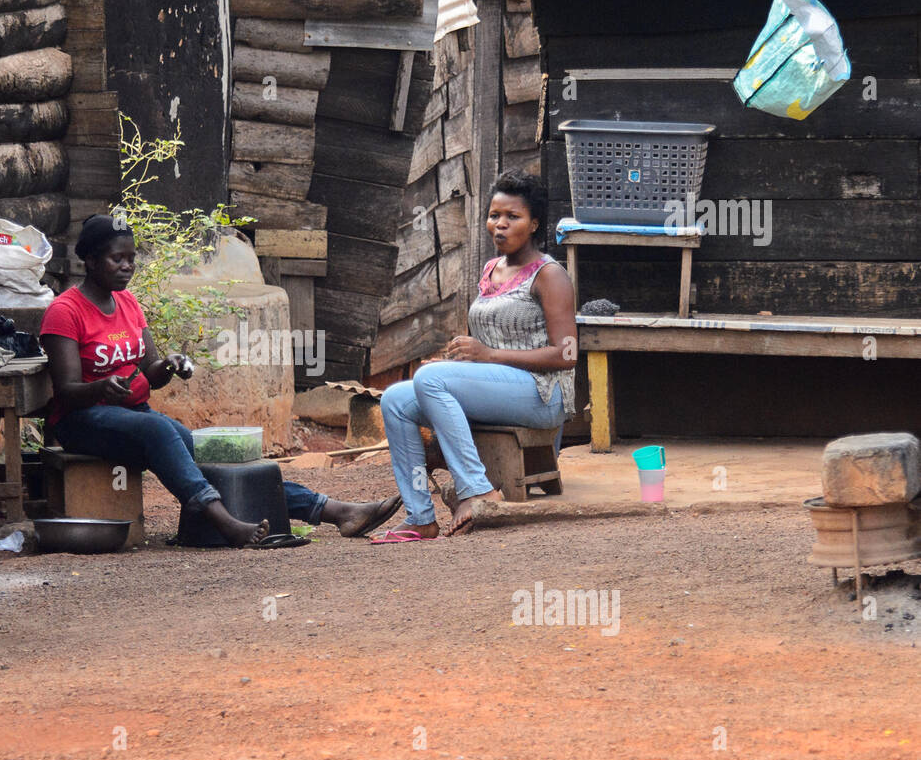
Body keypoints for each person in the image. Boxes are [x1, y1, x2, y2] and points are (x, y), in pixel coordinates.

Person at [39, 214, 402, 548]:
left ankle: (334, 511)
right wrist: (101, 388)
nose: (127, 266)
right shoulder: (65, 311)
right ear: (89, 259)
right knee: (161, 432)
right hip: (82, 421)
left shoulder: (128, 303)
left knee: (212, 455)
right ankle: (223, 522)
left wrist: (170, 365)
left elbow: (151, 371)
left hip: (135, 415)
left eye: (131, 258)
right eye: (117, 259)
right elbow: (67, 393)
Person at [375, 170, 577, 541]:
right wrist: (459, 361)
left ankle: (478, 491)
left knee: (429, 381)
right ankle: (420, 516)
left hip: (543, 393)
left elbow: (567, 355)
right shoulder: (490, 269)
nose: (500, 225)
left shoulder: (550, 275)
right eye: (494, 215)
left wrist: (487, 354)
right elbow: (483, 351)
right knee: (396, 399)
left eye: (512, 217)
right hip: (501, 386)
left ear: (533, 224)